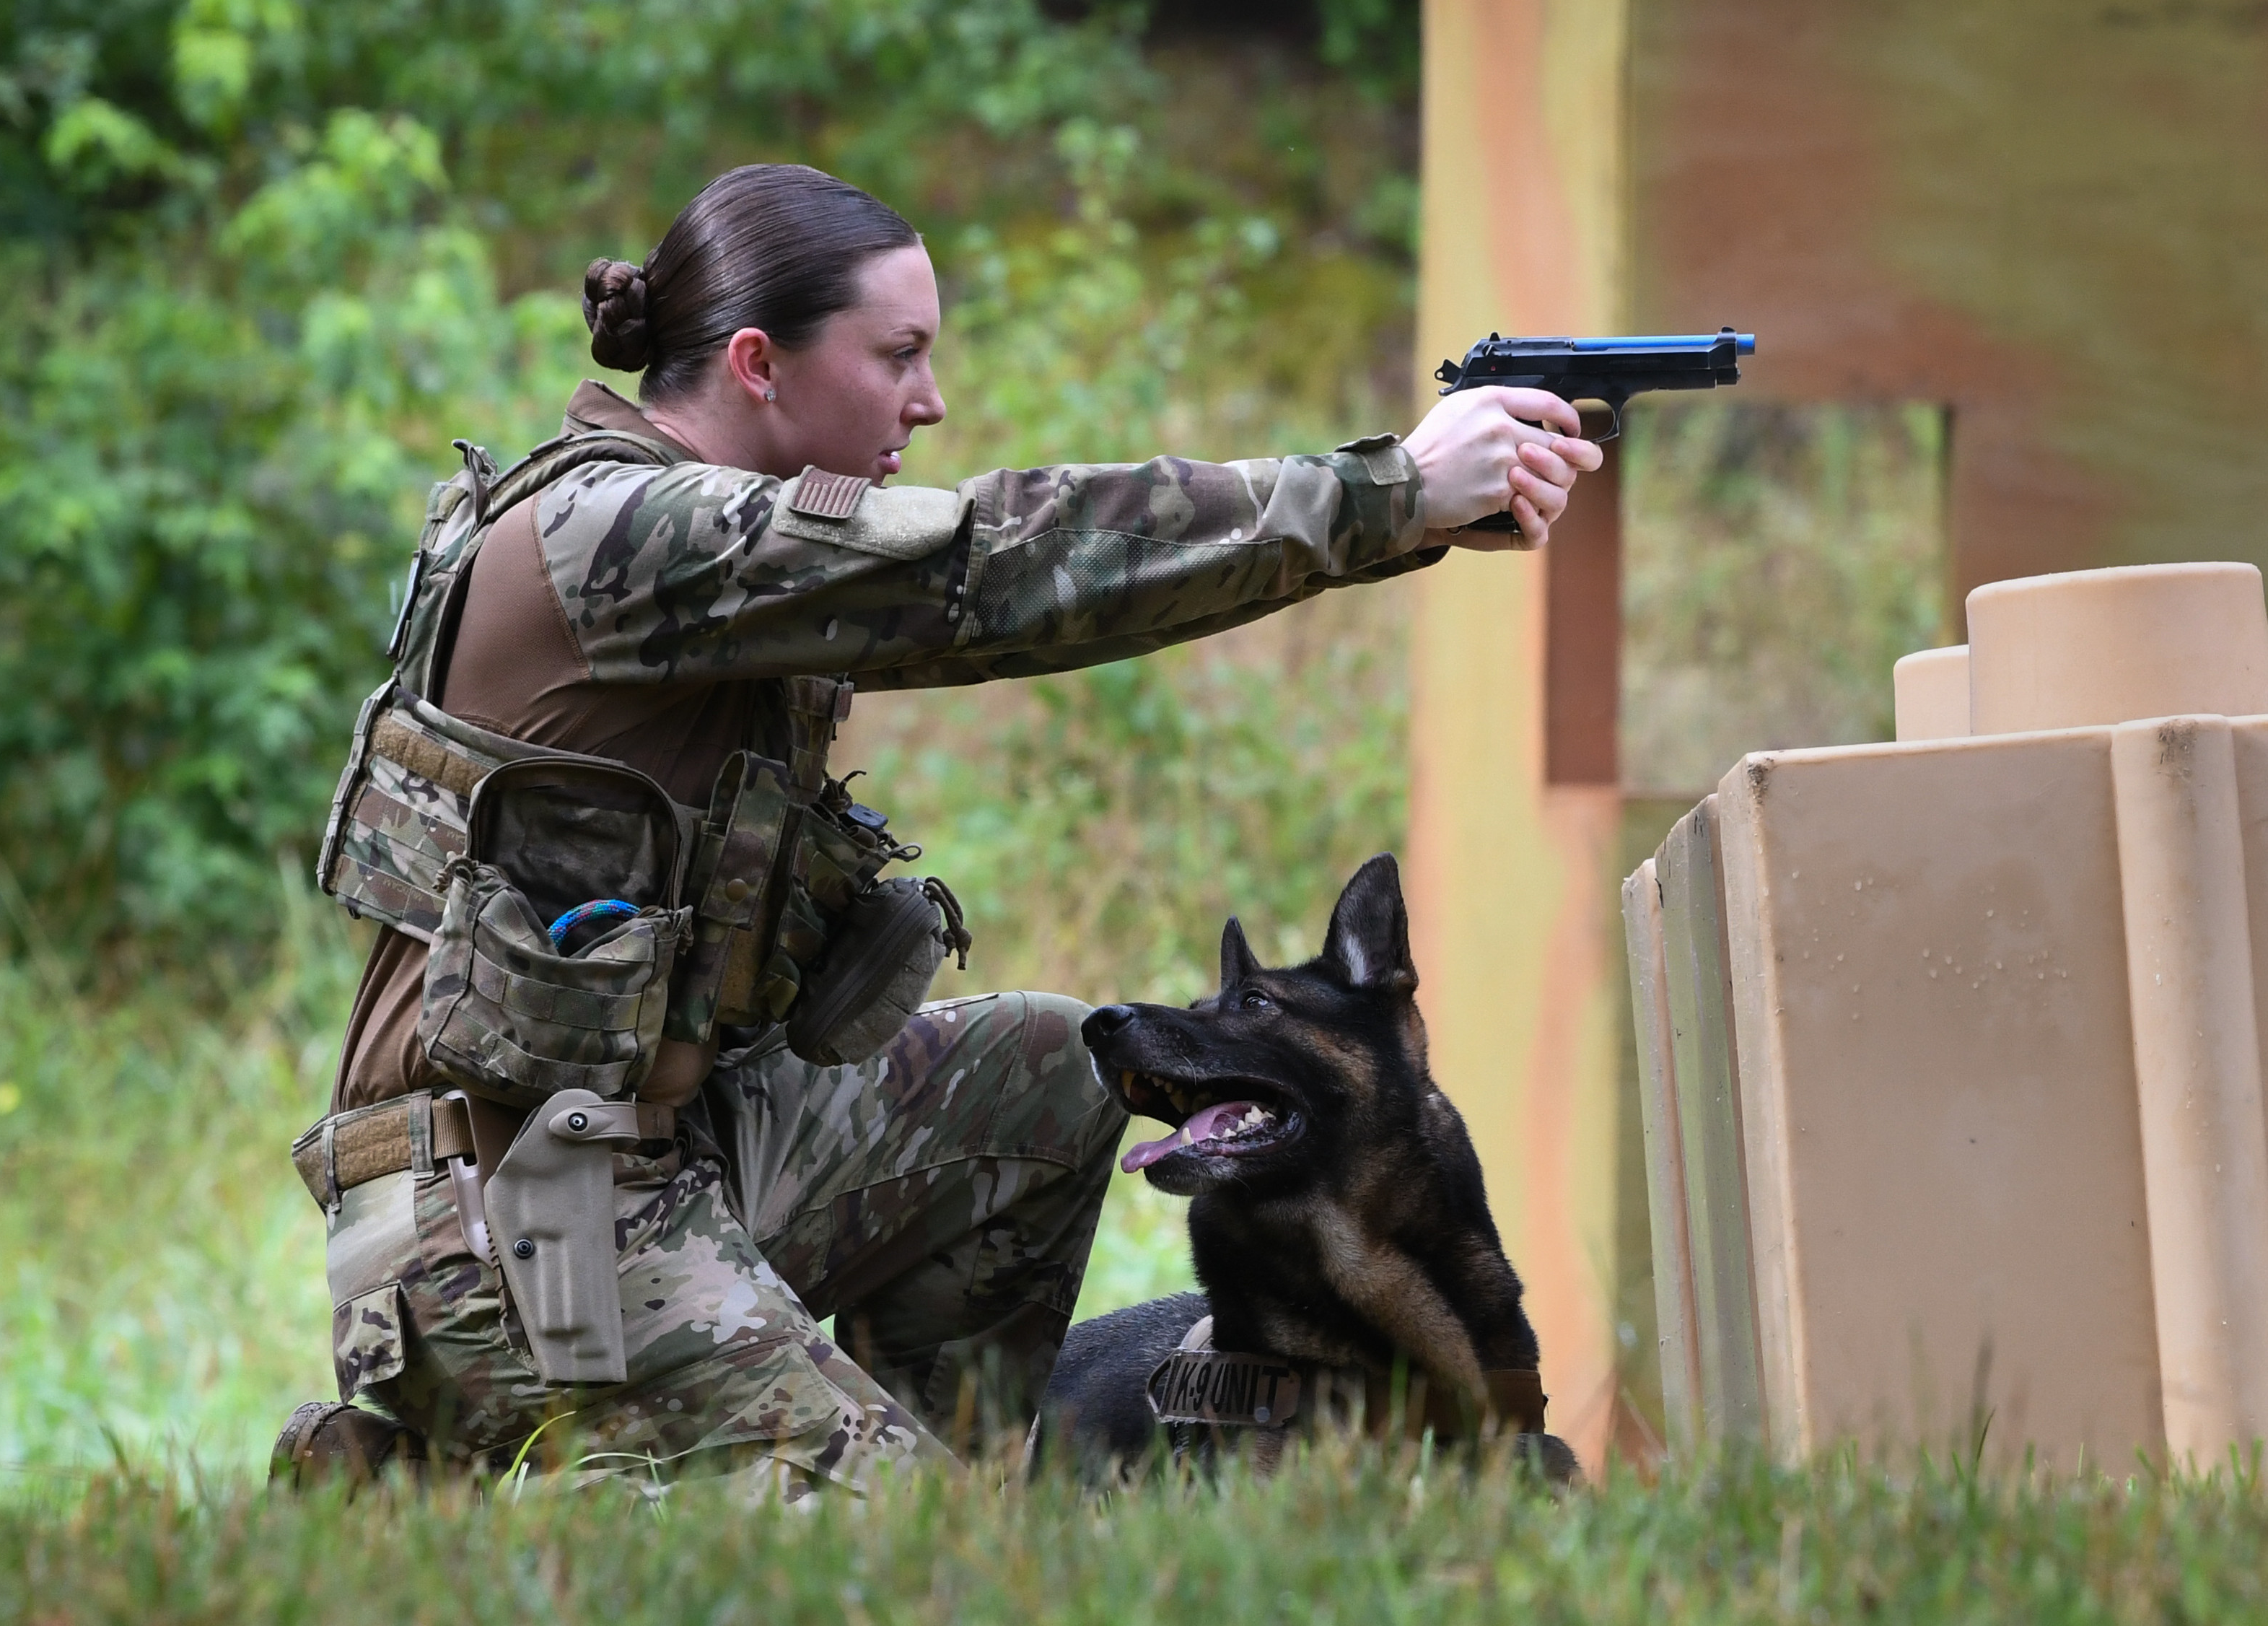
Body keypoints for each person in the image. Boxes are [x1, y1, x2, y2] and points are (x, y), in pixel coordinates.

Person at [276, 162, 1601, 1499]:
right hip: (511, 1224)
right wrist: (1389, 488)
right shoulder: (621, 531)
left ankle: (924, 1476)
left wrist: (1409, 518)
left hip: (675, 1156)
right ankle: (467, 1493)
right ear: (758, 364)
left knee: (1047, 1070)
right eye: (898, 354)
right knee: (912, 1560)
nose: (931, 399)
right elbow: (993, 566)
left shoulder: (718, 552)